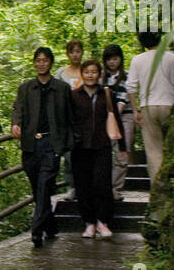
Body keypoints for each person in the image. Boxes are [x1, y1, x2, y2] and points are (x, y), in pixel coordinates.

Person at [11, 47, 72, 248]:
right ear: (34, 63)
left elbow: (69, 116)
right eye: (38, 60)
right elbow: (18, 108)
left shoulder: (61, 88)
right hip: (30, 144)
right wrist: (16, 123)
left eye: (45, 60)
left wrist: (67, 143)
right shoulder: (26, 88)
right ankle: (51, 226)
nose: (41, 64)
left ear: (51, 63)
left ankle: (36, 232)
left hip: (51, 144)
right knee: (38, 190)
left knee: (45, 185)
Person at [69, 58, 128, 238]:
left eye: (94, 72)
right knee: (83, 185)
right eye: (87, 72)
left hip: (102, 145)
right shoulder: (74, 96)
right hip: (80, 148)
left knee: (102, 184)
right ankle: (89, 222)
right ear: (82, 74)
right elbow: (68, 120)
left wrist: (122, 147)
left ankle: (103, 221)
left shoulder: (107, 94)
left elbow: (116, 119)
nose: (90, 76)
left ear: (100, 74)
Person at [126, 30, 174, 184]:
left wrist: (135, 110)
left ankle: (158, 189)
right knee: (173, 147)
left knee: (153, 152)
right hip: (169, 105)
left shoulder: (137, 60)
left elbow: (131, 87)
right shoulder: (171, 57)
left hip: (148, 107)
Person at [102, 44, 133, 200]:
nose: (112, 62)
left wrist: (114, 117)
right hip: (105, 118)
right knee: (105, 153)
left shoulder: (127, 75)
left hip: (124, 117)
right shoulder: (101, 77)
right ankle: (104, 187)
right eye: (109, 59)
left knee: (122, 151)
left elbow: (122, 100)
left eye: (115, 59)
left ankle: (115, 188)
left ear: (120, 59)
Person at [57, 38, 84, 201]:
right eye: (72, 51)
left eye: (78, 51)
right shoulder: (61, 73)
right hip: (66, 118)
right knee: (68, 154)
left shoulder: (87, 70)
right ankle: (72, 187)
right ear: (67, 54)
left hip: (84, 117)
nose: (75, 55)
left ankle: (85, 186)